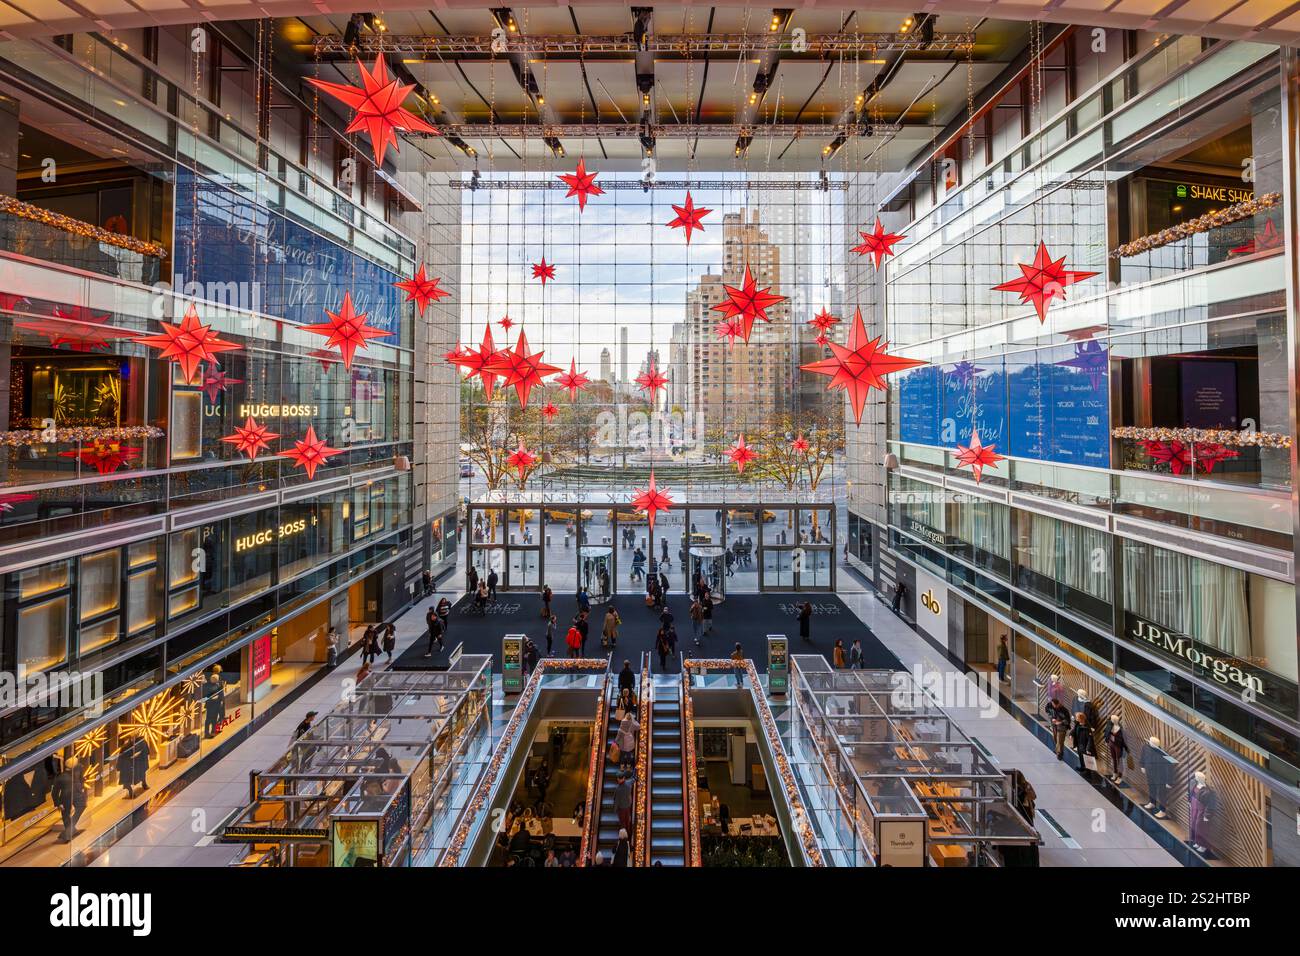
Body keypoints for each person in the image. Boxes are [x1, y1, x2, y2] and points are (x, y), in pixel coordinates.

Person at [51, 757, 86, 843]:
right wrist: (58, 803)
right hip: (67, 797)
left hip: (72, 796)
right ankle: (69, 832)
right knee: (66, 814)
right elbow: (54, 792)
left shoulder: (76, 771)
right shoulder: (62, 777)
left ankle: (69, 831)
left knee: (68, 813)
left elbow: (81, 780)